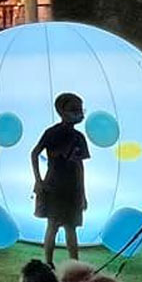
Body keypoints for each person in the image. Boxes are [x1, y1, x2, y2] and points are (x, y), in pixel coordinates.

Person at [31, 93, 89, 266]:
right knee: (57, 226)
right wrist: (39, 180)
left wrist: (83, 193)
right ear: (62, 111)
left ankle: (71, 264)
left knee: (65, 227)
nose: (78, 113)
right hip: (56, 186)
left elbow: (80, 166)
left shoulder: (78, 137)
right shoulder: (56, 134)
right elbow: (34, 153)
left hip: (68, 188)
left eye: (80, 109)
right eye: (74, 109)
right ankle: (54, 262)